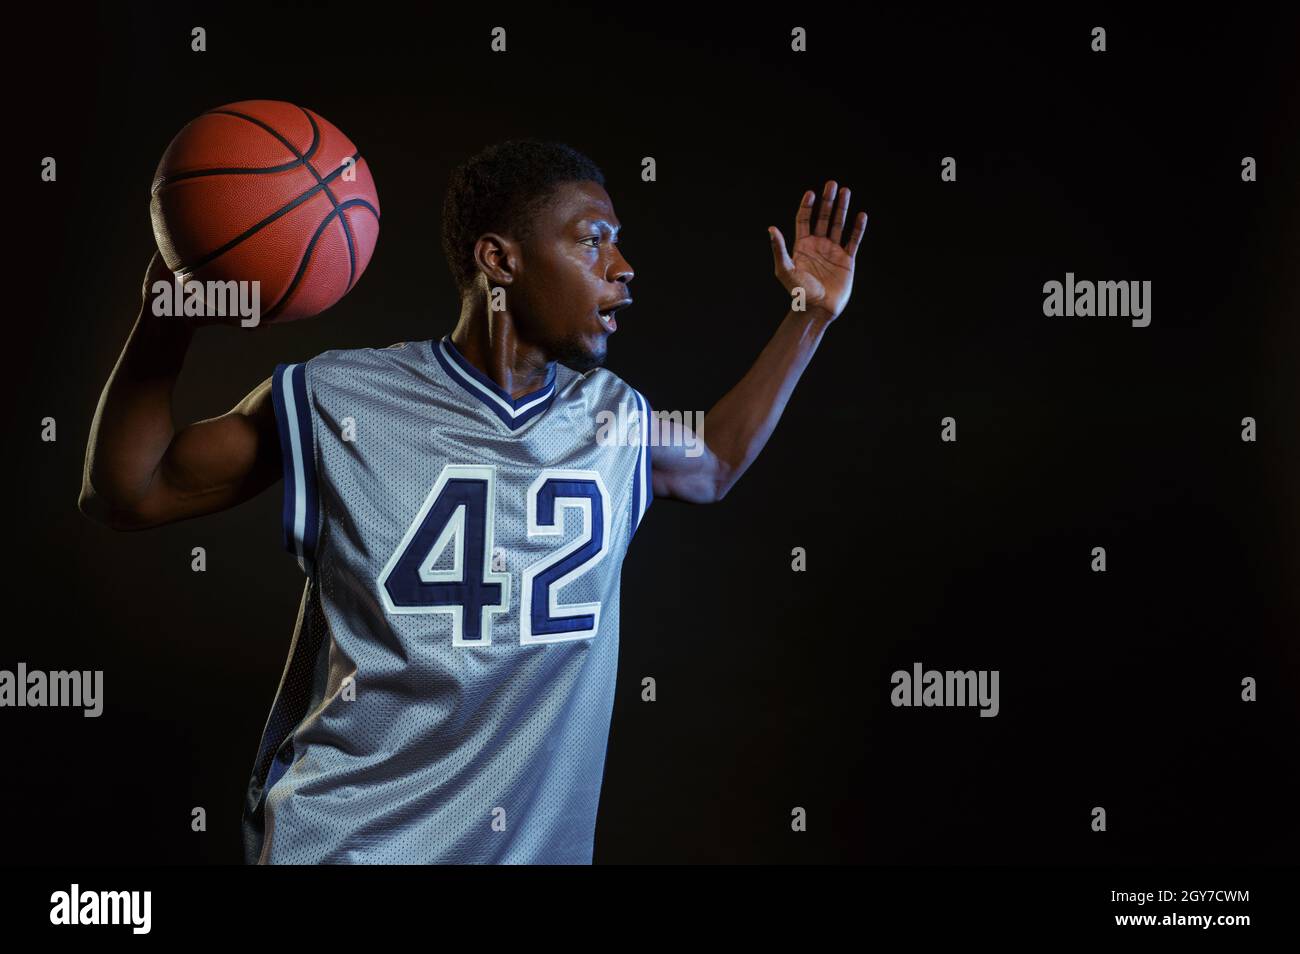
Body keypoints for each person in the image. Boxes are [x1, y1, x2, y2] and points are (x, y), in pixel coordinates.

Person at [78, 139, 867, 863]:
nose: (623, 265)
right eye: (593, 239)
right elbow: (131, 491)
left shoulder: (612, 420)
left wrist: (809, 319)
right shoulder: (339, 397)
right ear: (500, 259)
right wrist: (167, 302)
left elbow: (717, 461)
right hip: (344, 848)